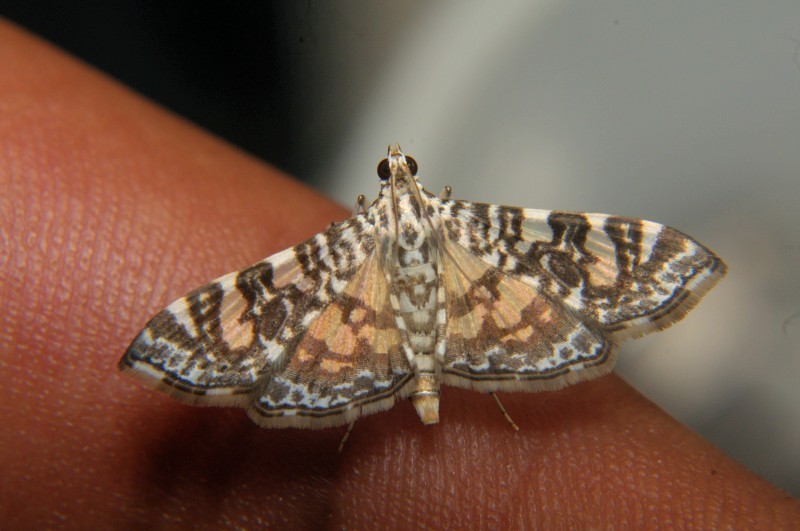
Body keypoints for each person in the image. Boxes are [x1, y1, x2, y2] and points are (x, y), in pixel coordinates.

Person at [1, 20, 797, 528]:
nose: (397, 175)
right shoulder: (475, 224)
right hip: (474, 295)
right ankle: (447, 364)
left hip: (364, 307)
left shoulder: (341, 243)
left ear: (392, 183)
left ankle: (387, 374)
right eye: (397, 172)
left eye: (397, 172)